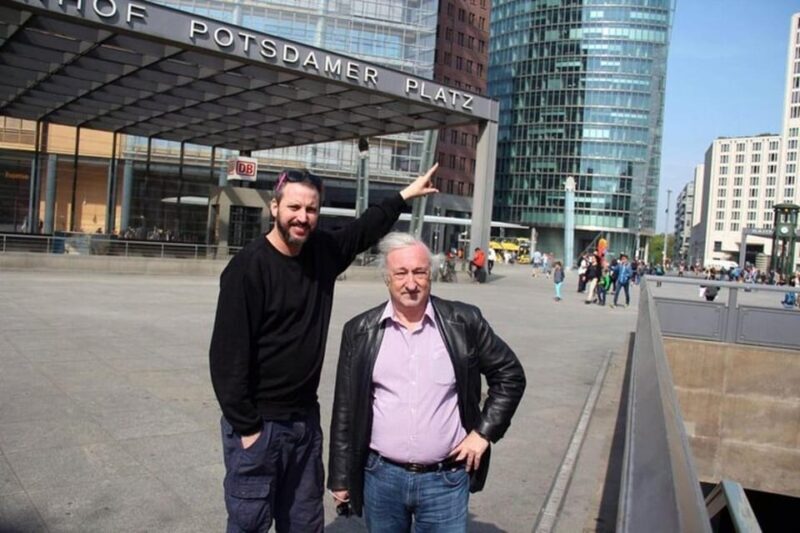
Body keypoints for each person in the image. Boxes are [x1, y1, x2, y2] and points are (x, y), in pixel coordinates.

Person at [209, 165, 439, 533]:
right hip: (259, 426)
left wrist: (404, 196)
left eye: (311, 210)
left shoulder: (323, 254)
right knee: (248, 524)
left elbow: (364, 228)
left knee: (304, 523)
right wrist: (248, 428)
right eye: (294, 208)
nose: (302, 218)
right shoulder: (247, 269)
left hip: (304, 423)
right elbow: (225, 359)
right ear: (275, 207)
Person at [328, 233, 526, 531]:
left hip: (445, 479)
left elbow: (510, 374)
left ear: (430, 275)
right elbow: (345, 408)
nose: (411, 283)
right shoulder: (359, 331)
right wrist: (341, 477)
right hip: (381, 477)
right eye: (401, 273)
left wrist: (483, 433)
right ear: (386, 278)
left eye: (419, 272)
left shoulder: (464, 322)